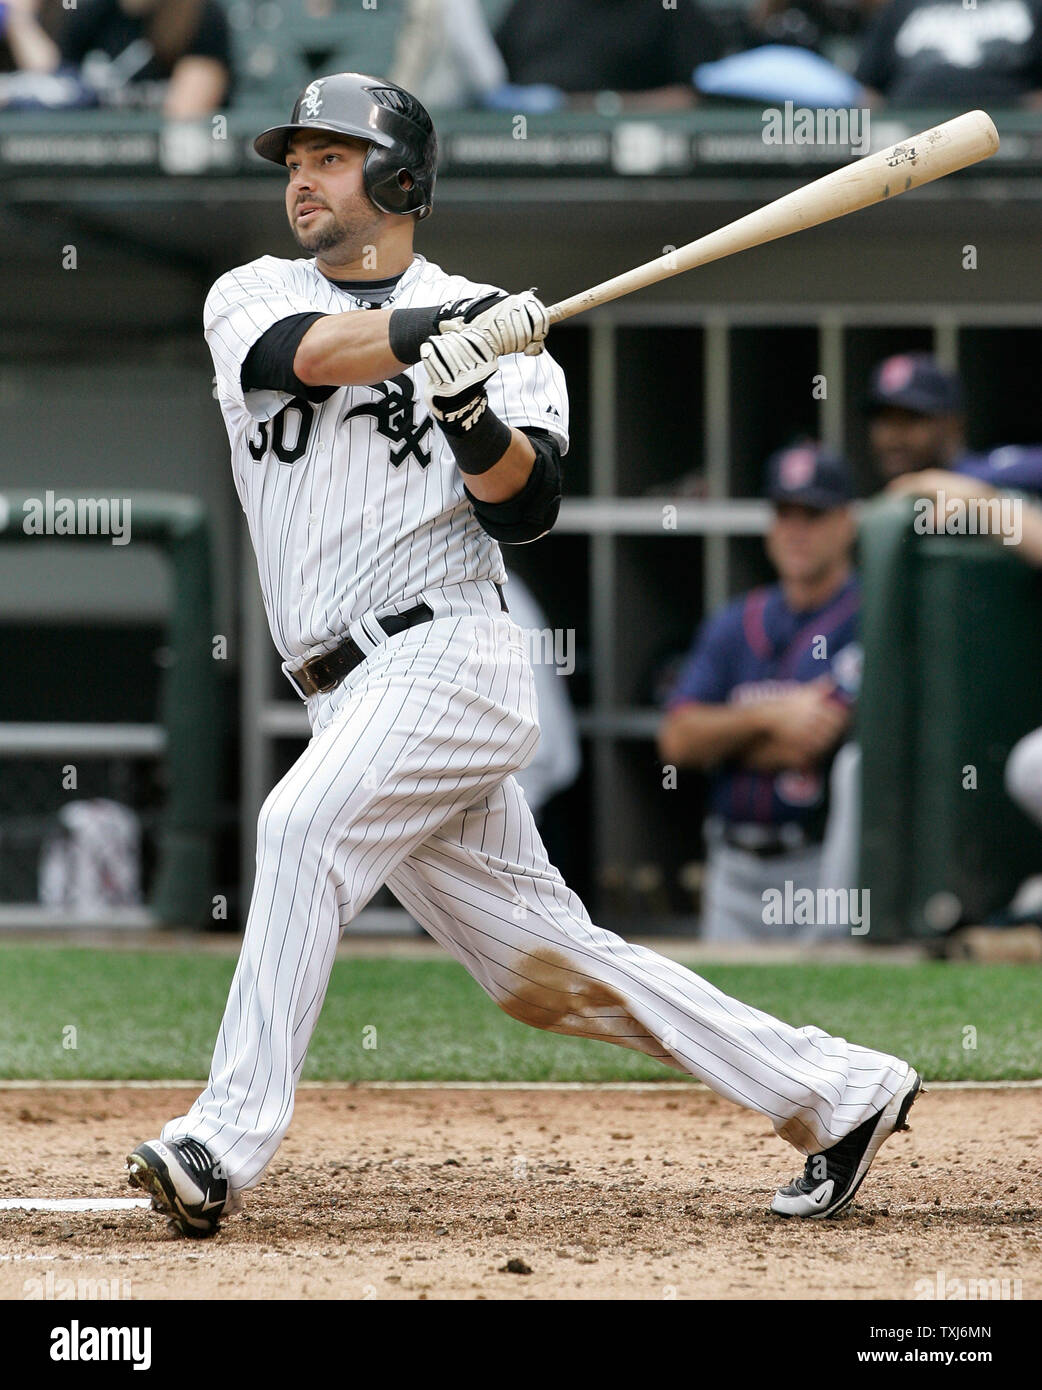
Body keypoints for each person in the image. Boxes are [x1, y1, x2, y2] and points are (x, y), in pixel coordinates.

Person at [125, 72, 920, 1236]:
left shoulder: (502, 325)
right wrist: (430, 339)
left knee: (298, 829)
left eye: (330, 156)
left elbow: (525, 505)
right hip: (342, 692)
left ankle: (220, 1139)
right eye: (294, 157)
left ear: (400, 178)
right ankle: (836, 1090)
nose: (300, 175)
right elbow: (301, 354)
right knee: (540, 969)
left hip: (448, 656)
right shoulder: (250, 293)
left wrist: (470, 411)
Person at [659, 443, 862, 942]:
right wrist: (770, 716)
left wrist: (725, 737)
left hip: (820, 864)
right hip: (730, 866)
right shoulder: (735, 621)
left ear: (846, 523)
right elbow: (678, 741)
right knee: (720, 1019)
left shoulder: (866, 613)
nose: (796, 529)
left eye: (813, 514)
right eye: (784, 513)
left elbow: (807, 740)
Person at [493, 0, 723, 112]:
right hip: (527, 153)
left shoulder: (669, 8)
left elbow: (692, 96)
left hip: (628, 165)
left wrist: (593, 105)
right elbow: (493, 78)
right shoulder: (534, 5)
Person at [866, 352, 1042, 495]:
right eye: (884, 421)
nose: (893, 436)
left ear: (953, 424)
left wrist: (965, 485)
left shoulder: (981, 476)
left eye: (911, 419)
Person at [56, 0, 231, 117]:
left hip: (164, 162)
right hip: (91, 158)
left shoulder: (200, 15)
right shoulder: (90, 13)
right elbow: (56, 89)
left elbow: (185, 118)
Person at [855, 0, 1042, 109]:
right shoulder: (902, 6)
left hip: (1007, 132)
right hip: (913, 131)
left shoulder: (1031, 5)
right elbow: (871, 90)